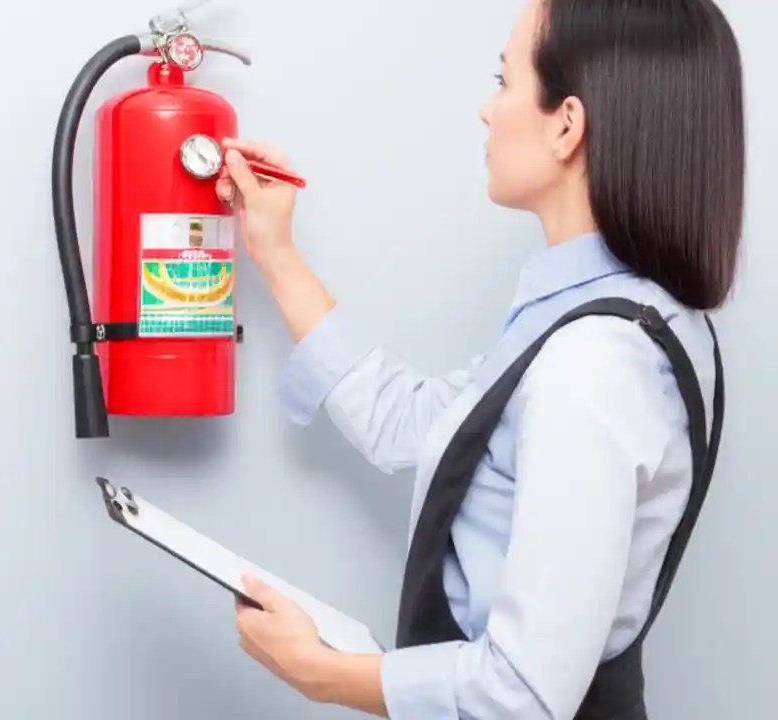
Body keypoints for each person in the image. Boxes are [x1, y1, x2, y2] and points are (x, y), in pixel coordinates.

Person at [216, 0, 744, 718]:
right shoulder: (619, 319)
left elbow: (521, 693)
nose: (486, 110)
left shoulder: (593, 365)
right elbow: (411, 423)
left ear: (566, 125)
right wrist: (275, 251)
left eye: (503, 80)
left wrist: (323, 673)